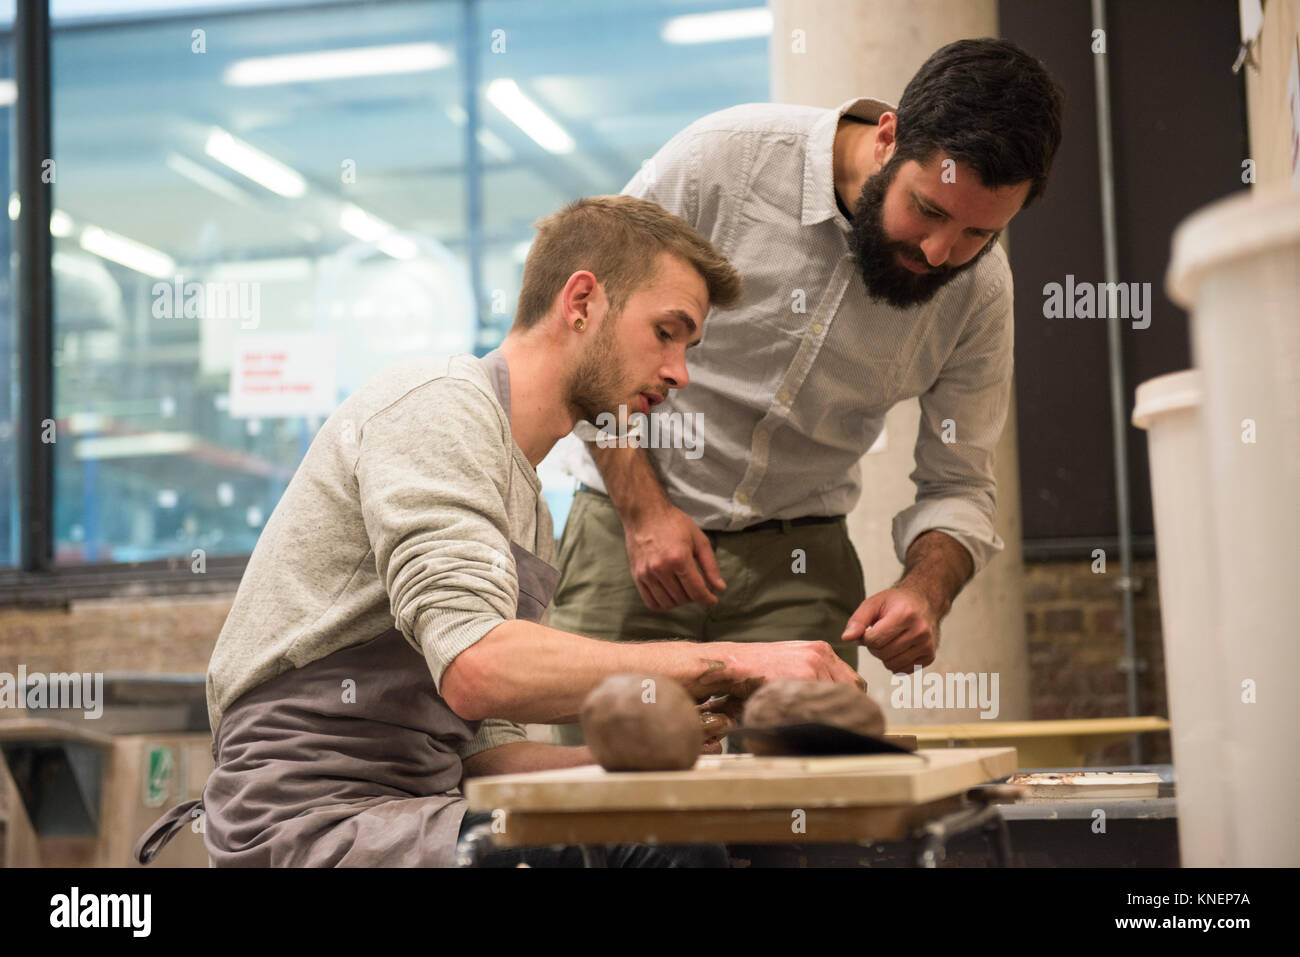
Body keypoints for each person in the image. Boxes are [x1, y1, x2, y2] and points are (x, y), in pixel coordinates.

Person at [132, 195, 863, 869]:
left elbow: (487, 760)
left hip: (426, 803)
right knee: (660, 852)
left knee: (719, 828)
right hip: (311, 821)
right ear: (582, 302)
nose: (679, 373)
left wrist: (691, 766)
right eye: (666, 332)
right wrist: (728, 662)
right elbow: (478, 669)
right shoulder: (436, 407)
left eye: (689, 348)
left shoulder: (528, 510)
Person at [552, 38, 1065, 745]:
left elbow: (961, 484)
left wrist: (925, 591)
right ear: (888, 137)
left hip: (801, 563)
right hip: (627, 529)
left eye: (980, 232)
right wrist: (643, 511)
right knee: (602, 791)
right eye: (927, 209)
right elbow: (590, 334)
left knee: (806, 798)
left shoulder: (980, 293)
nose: (940, 252)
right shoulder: (724, 160)